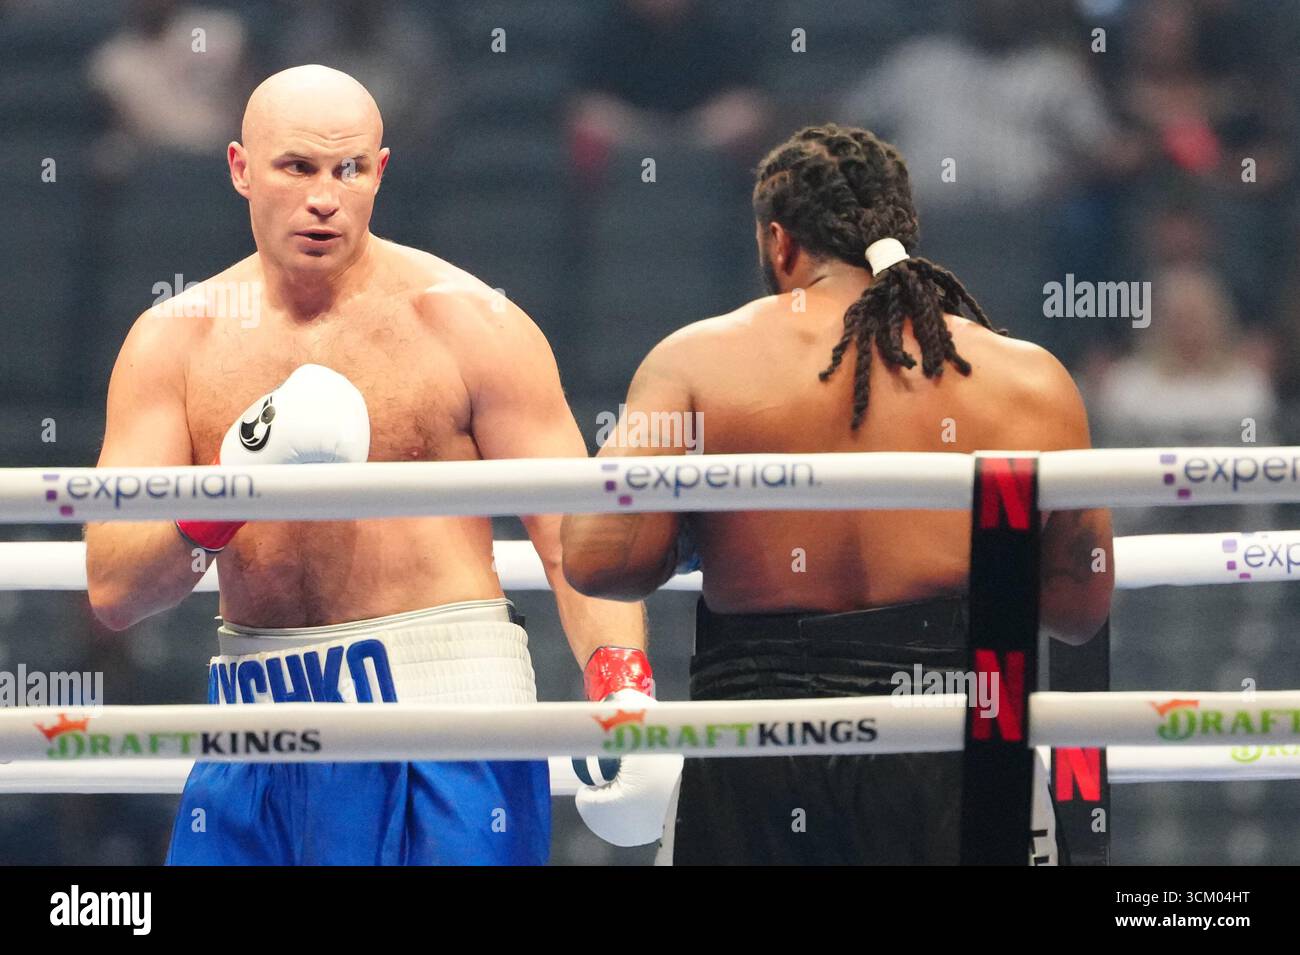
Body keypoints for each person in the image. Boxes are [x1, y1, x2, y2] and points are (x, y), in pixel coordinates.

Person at [84, 65, 673, 865]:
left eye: (349, 169)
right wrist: (231, 487)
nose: (325, 195)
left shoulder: (469, 322)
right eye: (297, 167)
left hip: (450, 728)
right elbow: (116, 587)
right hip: (254, 738)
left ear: (380, 172)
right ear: (240, 167)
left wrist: (623, 688)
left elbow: (576, 535)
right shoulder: (171, 343)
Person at [561, 123, 1115, 865]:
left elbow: (597, 558)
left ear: (780, 242)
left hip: (756, 746)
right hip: (952, 735)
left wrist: (696, 524)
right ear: (901, 231)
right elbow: (1080, 610)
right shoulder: (1029, 378)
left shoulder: (696, 361)